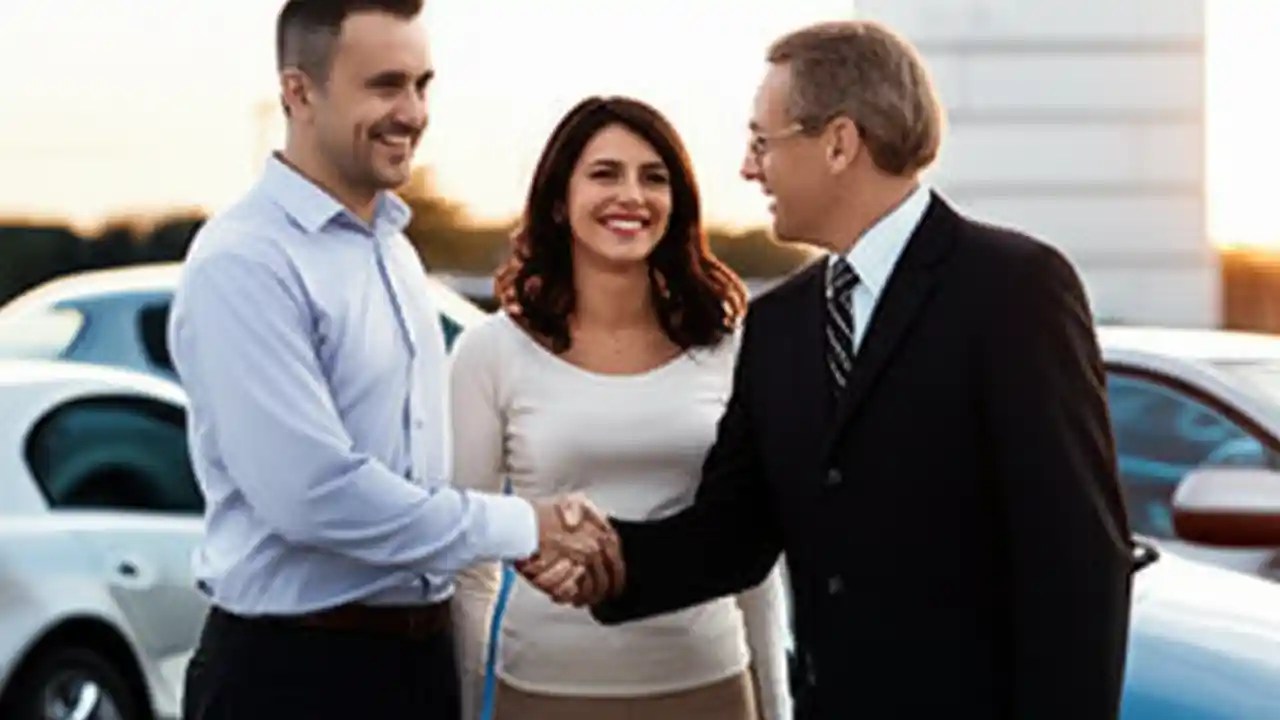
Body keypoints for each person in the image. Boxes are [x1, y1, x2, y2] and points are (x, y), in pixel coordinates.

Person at [525, 20, 1135, 720]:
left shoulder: (1014, 288)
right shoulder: (780, 323)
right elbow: (732, 536)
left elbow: (1079, 563)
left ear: (839, 143)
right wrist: (603, 558)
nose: (749, 169)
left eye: (763, 141)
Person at [170, 2, 608, 718]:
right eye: (384, 85)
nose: (411, 112)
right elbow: (315, 497)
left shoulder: (395, 253)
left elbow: (417, 476)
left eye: (421, 84)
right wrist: (524, 525)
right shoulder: (245, 261)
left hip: (416, 666)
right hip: (292, 679)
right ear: (297, 93)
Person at [448, 96, 793, 720]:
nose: (631, 195)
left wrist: (776, 706)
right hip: (545, 693)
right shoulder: (489, 351)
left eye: (654, 177)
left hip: (709, 688)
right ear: (559, 200)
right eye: (605, 173)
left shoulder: (729, 348)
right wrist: (471, 709)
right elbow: (470, 567)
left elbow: (751, 559)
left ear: (676, 203)